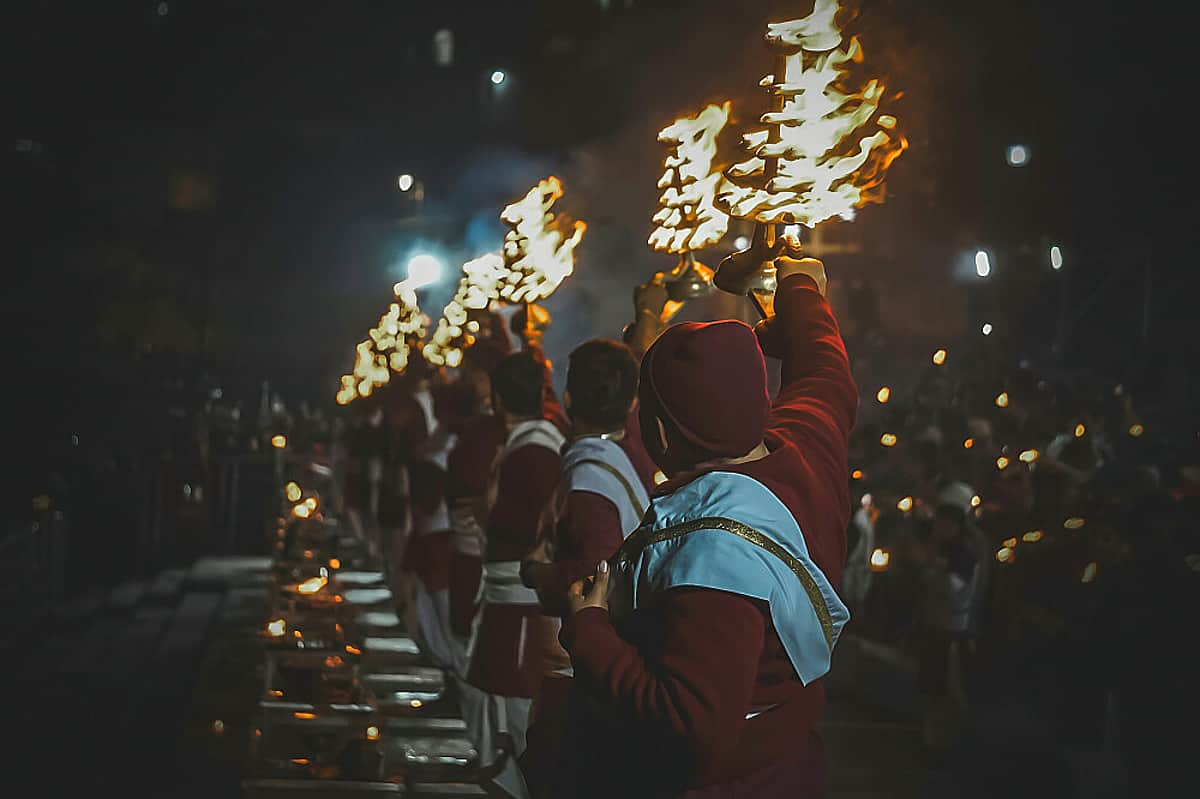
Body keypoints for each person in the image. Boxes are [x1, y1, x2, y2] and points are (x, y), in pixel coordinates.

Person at [539, 242, 856, 798]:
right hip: (787, 765)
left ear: (660, 434)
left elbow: (693, 723)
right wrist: (802, 293)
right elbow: (825, 372)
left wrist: (589, 630)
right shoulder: (805, 445)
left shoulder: (712, 552)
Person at [518, 339, 653, 740]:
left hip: (589, 662)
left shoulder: (589, 479)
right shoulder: (622, 458)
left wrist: (539, 574)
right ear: (631, 405)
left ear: (569, 396)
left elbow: (597, 575)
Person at [460, 350, 565, 799]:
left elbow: (539, 528)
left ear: (500, 399)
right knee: (490, 710)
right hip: (504, 604)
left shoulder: (537, 449)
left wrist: (487, 512)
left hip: (520, 611)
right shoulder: (524, 442)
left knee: (510, 723)